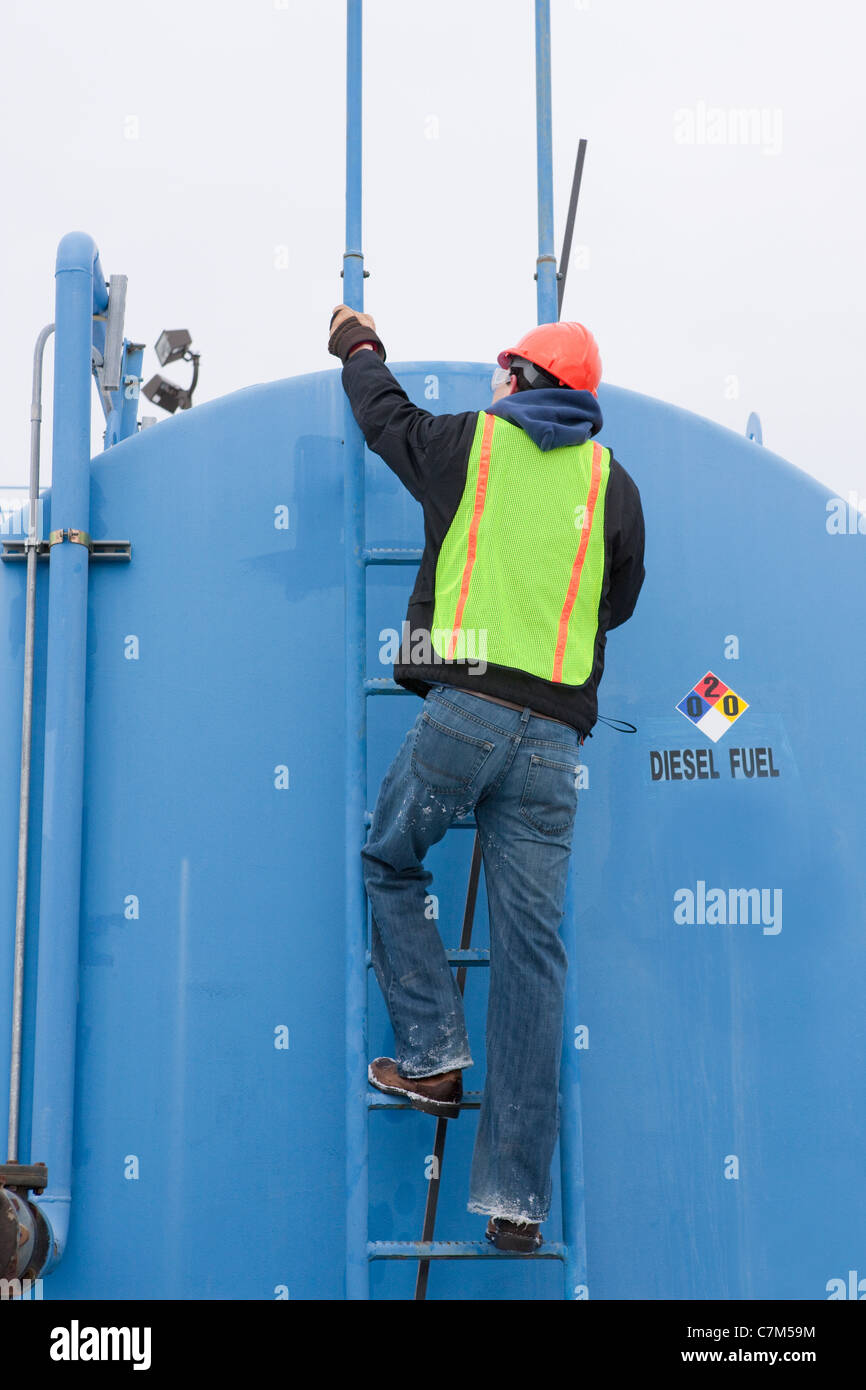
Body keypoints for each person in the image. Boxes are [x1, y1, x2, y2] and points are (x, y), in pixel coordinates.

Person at [328, 304, 645, 1252]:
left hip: (463, 713)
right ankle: (516, 1202)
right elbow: (616, 599)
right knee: (532, 961)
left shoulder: (470, 447)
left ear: (516, 379)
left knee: (391, 857)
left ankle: (431, 1055)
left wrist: (358, 345)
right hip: (555, 744)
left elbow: (384, 418)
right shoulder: (613, 484)